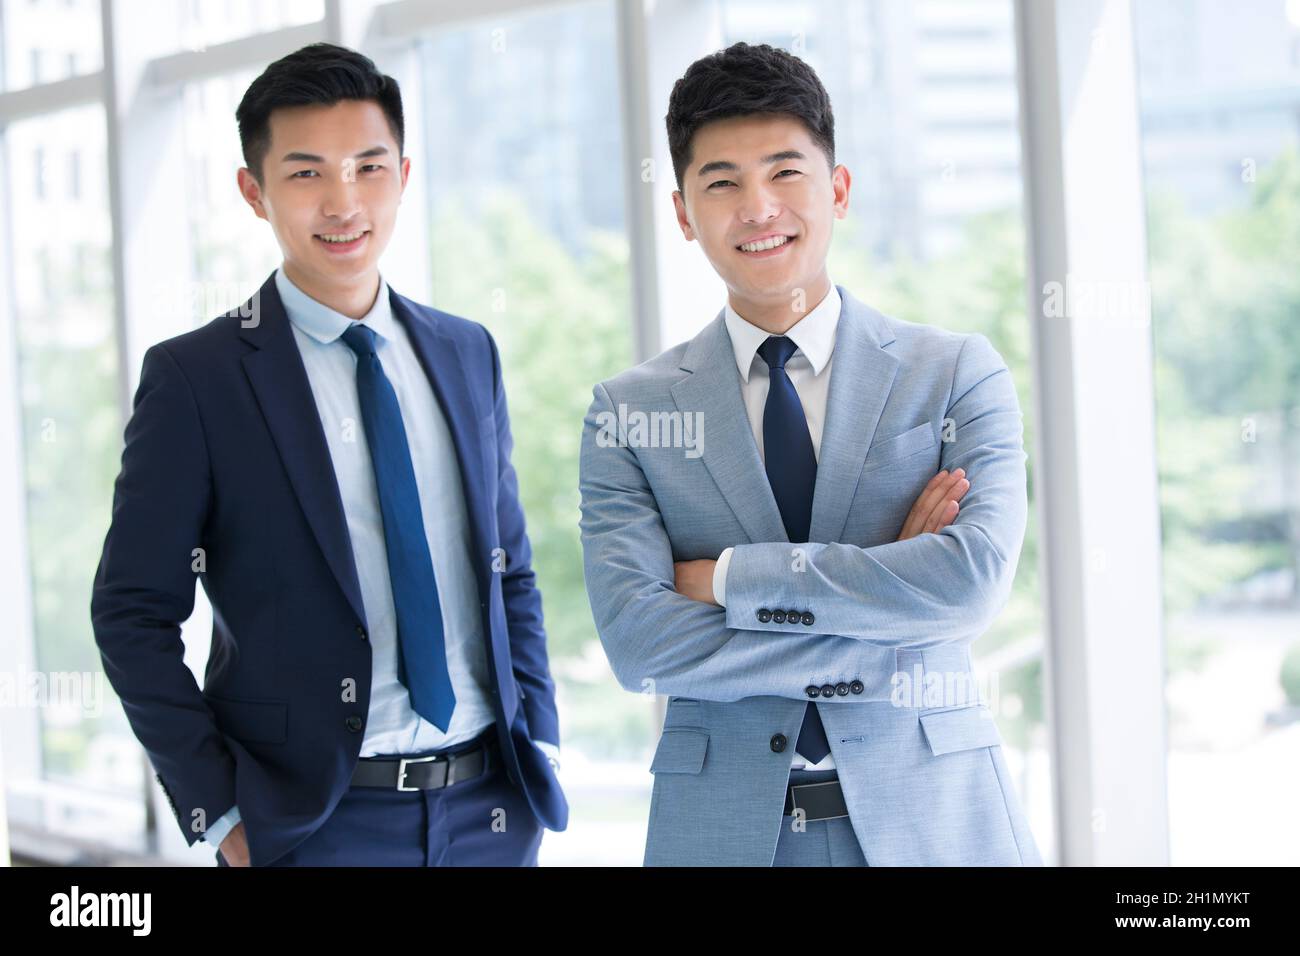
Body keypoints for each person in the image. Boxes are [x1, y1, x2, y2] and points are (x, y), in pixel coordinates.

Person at [91, 42, 566, 867]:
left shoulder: (465, 351)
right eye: (307, 173)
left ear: (404, 175)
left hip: (493, 806)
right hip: (320, 825)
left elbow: (510, 569)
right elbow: (131, 612)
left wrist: (544, 740)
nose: (344, 202)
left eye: (368, 167)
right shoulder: (198, 379)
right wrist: (220, 815)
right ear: (255, 190)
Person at [578, 42, 1042, 866]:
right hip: (720, 836)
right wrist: (892, 597)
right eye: (722, 183)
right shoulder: (630, 412)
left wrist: (726, 581)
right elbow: (641, 647)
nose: (758, 208)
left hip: (934, 824)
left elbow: (967, 589)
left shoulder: (955, 375)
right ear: (683, 213)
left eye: (785, 173)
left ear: (838, 189)